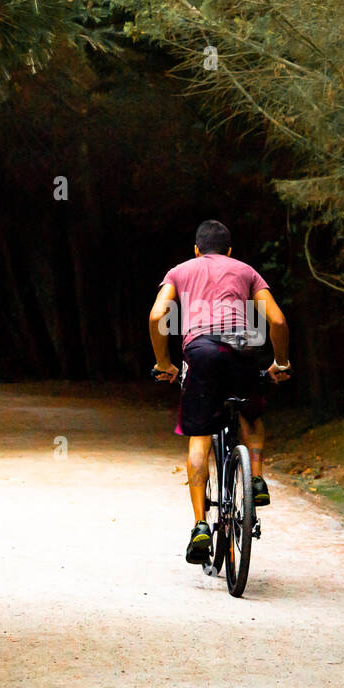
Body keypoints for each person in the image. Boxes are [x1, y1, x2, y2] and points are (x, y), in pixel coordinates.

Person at [147, 220, 292, 564]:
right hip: (242, 350)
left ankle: (200, 525)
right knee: (250, 416)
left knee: (199, 436)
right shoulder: (246, 271)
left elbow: (157, 317)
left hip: (201, 352)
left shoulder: (179, 271)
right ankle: (255, 479)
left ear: (196, 249)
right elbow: (279, 322)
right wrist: (281, 363)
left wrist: (164, 363)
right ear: (229, 251)